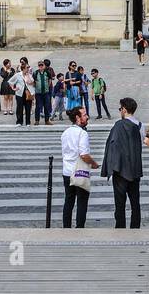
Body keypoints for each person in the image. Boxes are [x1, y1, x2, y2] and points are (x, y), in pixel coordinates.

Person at [102, 97, 144, 228]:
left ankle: (120, 227)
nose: (120, 111)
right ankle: (135, 227)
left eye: (120, 109)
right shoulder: (140, 126)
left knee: (120, 203)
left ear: (124, 110)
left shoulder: (118, 125)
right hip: (135, 168)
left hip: (120, 170)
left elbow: (111, 145)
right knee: (135, 202)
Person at [61, 107, 98, 228]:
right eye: (84, 115)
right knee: (82, 201)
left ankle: (66, 227)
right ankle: (79, 227)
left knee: (69, 201)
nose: (87, 117)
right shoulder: (82, 133)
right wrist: (94, 164)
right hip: (79, 172)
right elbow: (84, 155)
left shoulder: (65, 133)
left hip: (67, 171)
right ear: (77, 118)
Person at [13, 57, 34, 126]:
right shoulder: (18, 74)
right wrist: (14, 88)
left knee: (28, 108)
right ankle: (19, 122)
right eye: (26, 68)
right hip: (19, 93)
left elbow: (31, 82)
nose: (27, 69)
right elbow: (11, 81)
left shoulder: (29, 74)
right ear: (23, 68)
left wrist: (27, 75)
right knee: (19, 107)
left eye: (27, 68)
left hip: (28, 92)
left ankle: (28, 122)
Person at [34, 58, 53, 125]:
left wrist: (47, 85)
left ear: (44, 65)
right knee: (38, 107)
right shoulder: (35, 73)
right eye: (40, 65)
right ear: (38, 66)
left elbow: (50, 79)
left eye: (42, 65)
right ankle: (37, 120)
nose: (41, 66)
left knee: (47, 106)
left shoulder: (47, 72)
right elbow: (33, 81)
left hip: (46, 92)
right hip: (38, 93)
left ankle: (47, 120)